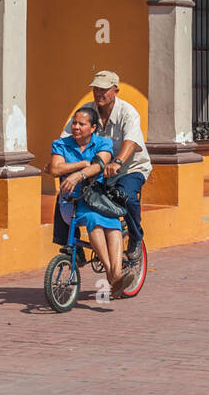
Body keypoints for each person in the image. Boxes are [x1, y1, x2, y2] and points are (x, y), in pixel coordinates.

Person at [59, 70, 150, 261]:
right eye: (96, 89)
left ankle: (135, 238)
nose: (99, 93)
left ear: (115, 90)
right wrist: (58, 161)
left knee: (126, 196)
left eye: (104, 90)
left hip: (129, 168)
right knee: (67, 192)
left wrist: (117, 162)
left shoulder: (127, 112)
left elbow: (131, 141)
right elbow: (67, 137)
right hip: (97, 171)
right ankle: (71, 246)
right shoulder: (86, 111)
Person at [46, 104, 125, 295]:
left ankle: (117, 271)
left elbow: (99, 165)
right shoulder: (61, 144)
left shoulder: (103, 143)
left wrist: (76, 175)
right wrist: (82, 164)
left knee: (114, 224)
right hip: (71, 202)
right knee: (93, 221)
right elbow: (55, 169)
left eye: (81, 124)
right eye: (74, 123)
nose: (76, 127)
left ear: (93, 127)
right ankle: (111, 273)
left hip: (97, 197)